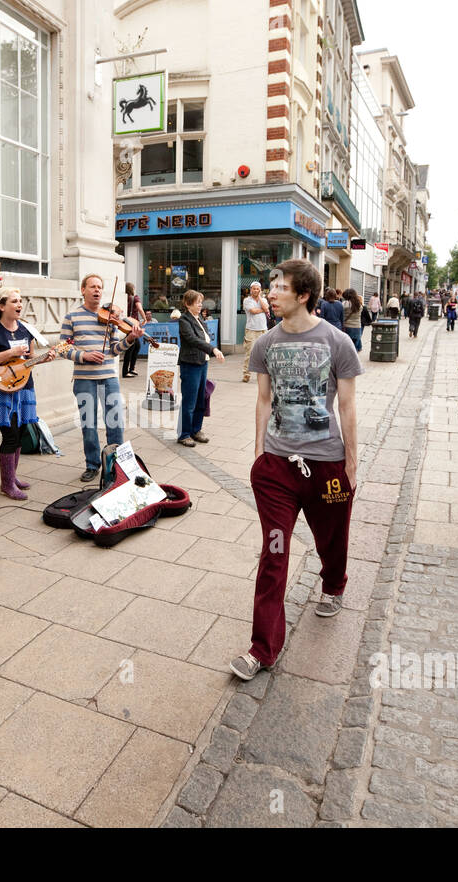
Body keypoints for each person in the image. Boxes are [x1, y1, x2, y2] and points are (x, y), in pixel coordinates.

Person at [230, 259, 362, 681]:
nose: (271, 292)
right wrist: (258, 454)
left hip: (327, 465)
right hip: (276, 469)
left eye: (280, 287)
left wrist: (352, 460)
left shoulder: (338, 342)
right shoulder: (264, 343)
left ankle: (334, 582)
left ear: (303, 294)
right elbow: (263, 401)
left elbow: (346, 405)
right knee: (274, 552)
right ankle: (262, 648)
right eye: (271, 286)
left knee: (332, 538)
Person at [60, 274, 144, 482]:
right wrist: (83, 355)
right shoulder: (72, 317)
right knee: (88, 423)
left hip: (109, 377)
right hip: (83, 378)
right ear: (83, 290)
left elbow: (115, 350)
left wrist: (130, 339)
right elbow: (63, 347)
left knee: (115, 422)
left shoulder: (111, 318)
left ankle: (116, 464)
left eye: (100, 287)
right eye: (92, 287)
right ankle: (92, 465)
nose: (97, 290)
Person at [0, 289, 54, 500]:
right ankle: (7, 484)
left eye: (21, 301)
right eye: (14, 301)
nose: (20, 304)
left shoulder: (26, 329)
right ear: (2, 306)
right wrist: (10, 353)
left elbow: (29, 359)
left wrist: (43, 358)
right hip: (1, 387)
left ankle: (12, 477)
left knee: (20, 434)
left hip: (24, 386)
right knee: (10, 435)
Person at [176, 289, 225, 447]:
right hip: (190, 364)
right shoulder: (184, 320)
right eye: (197, 302)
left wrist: (210, 351)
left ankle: (196, 430)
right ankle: (184, 434)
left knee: (201, 400)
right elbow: (193, 340)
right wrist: (213, 350)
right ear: (188, 304)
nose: (200, 305)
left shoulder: (200, 319)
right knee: (189, 402)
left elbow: (205, 339)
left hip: (202, 363)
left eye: (200, 302)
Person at [242, 282, 270, 383]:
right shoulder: (247, 300)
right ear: (250, 290)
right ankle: (246, 374)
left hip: (263, 329)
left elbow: (266, 308)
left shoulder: (264, 300)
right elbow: (253, 311)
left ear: (260, 290)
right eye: (254, 289)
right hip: (251, 330)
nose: (256, 291)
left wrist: (260, 298)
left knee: (264, 353)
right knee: (249, 353)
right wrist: (263, 310)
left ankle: (265, 374)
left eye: (258, 289)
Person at [121, 282, 145, 378]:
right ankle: (125, 371)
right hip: (133, 325)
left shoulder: (125, 299)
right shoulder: (135, 298)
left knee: (136, 346)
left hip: (127, 324)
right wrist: (145, 318)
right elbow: (139, 308)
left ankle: (131, 368)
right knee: (130, 348)